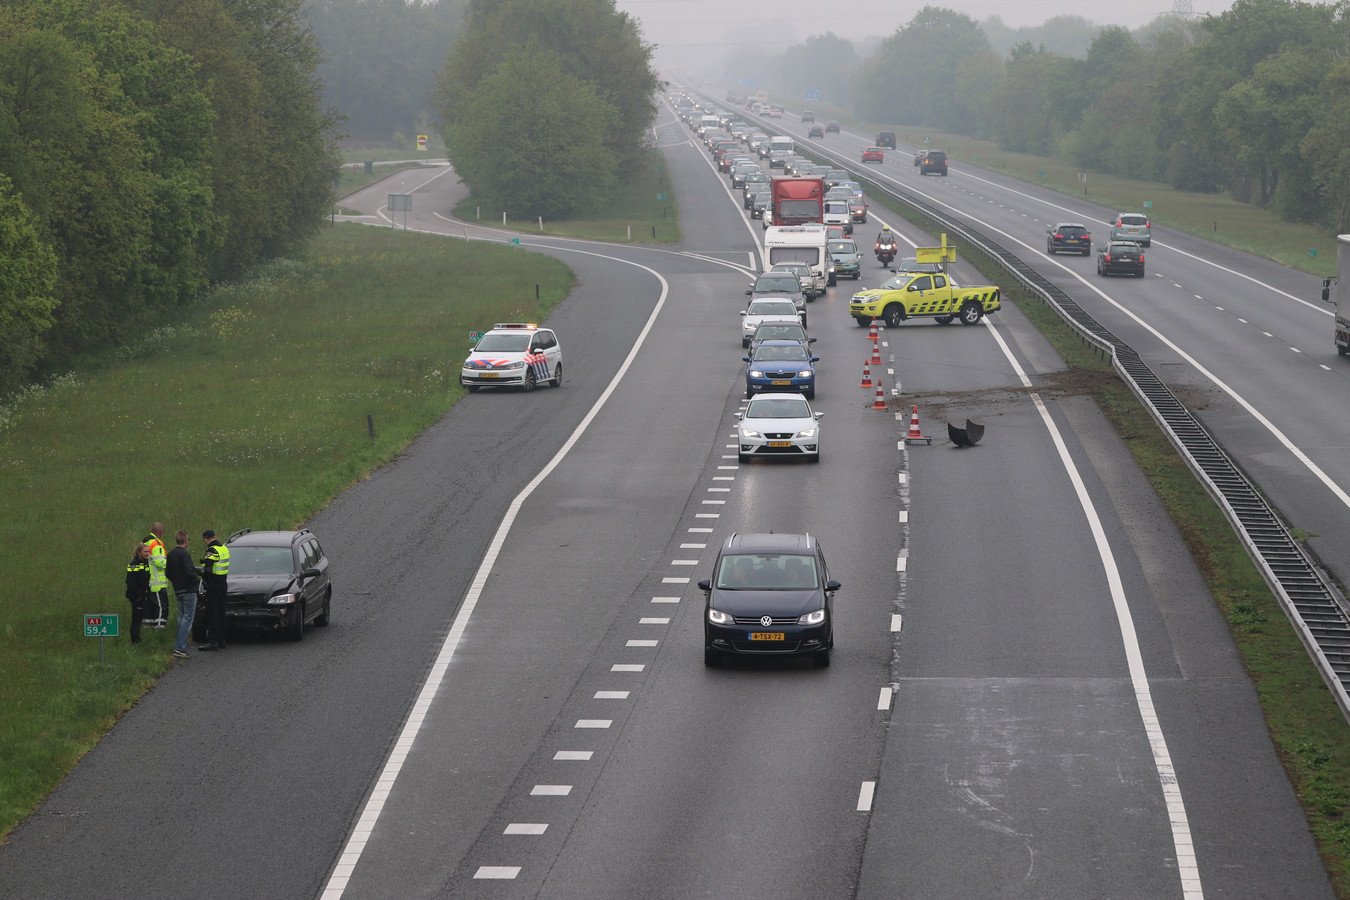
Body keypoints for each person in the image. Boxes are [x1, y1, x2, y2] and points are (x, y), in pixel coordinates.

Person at [166, 530, 200, 659]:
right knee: (187, 619)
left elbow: (168, 573)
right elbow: (190, 572)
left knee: (181, 618)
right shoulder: (184, 554)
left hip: (177, 590)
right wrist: (197, 581)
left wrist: (176, 581)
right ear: (186, 541)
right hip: (188, 591)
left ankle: (179, 646)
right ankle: (180, 648)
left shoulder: (171, 554)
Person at [197, 529, 230, 651]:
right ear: (215, 536)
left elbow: (209, 569)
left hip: (213, 585)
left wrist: (204, 577)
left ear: (206, 539)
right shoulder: (224, 548)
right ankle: (222, 640)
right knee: (222, 612)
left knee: (212, 613)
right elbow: (219, 563)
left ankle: (213, 641)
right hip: (223, 583)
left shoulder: (211, 550)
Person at [124, 543, 152, 644]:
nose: (148, 553)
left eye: (148, 551)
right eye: (145, 552)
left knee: (140, 617)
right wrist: (138, 596)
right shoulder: (134, 564)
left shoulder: (145, 562)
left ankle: (137, 638)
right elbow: (130, 582)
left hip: (143, 594)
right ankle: (135, 640)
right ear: (139, 552)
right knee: (136, 618)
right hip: (136, 596)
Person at [143, 522, 169, 628]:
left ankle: (147, 628)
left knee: (149, 608)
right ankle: (159, 628)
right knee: (161, 607)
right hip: (157, 583)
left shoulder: (145, 542)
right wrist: (170, 563)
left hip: (147, 581)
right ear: (160, 532)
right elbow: (160, 563)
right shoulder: (156, 545)